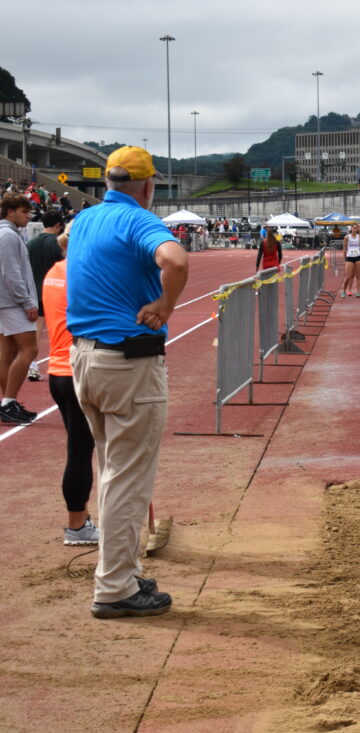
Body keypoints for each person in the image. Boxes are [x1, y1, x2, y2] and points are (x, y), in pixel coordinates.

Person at [67, 146, 188, 618]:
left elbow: (64, 252)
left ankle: (123, 569)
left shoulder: (84, 221)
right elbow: (175, 262)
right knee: (127, 478)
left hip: (86, 359)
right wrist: (164, 306)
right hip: (127, 364)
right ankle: (115, 587)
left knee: (113, 470)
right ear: (147, 186)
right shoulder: (139, 222)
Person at [42, 224, 99, 545]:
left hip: (58, 372)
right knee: (82, 450)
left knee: (79, 448)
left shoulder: (55, 270)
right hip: (80, 369)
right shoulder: (84, 273)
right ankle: (77, 527)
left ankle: (80, 522)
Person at [0, 193, 39, 425]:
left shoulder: (8, 234)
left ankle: (8, 402)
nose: (28, 216)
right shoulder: (7, 236)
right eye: (24, 212)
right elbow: (11, 273)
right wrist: (27, 302)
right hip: (12, 302)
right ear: (9, 212)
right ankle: (8, 402)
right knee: (30, 350)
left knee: (8, 353)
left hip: (6, 301)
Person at [25, 210, 65, 382]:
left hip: (34, 293)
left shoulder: (30, 244)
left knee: (36, 331)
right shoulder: (59, 244)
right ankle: (61, 365)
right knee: (60, 331)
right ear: (59, 225)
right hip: (56, 292)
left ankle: (32, 366)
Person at [341, 223, 360, 297]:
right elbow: (345, 248)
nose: (355, 229)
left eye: (356, 228)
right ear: (351, 228)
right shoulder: (347, 237)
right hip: (350, 257)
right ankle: (344, 291)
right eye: (354, 228)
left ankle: (358, 292)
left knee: (358, 276)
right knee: (348, 276)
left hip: (358, 256)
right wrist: (344, 259)